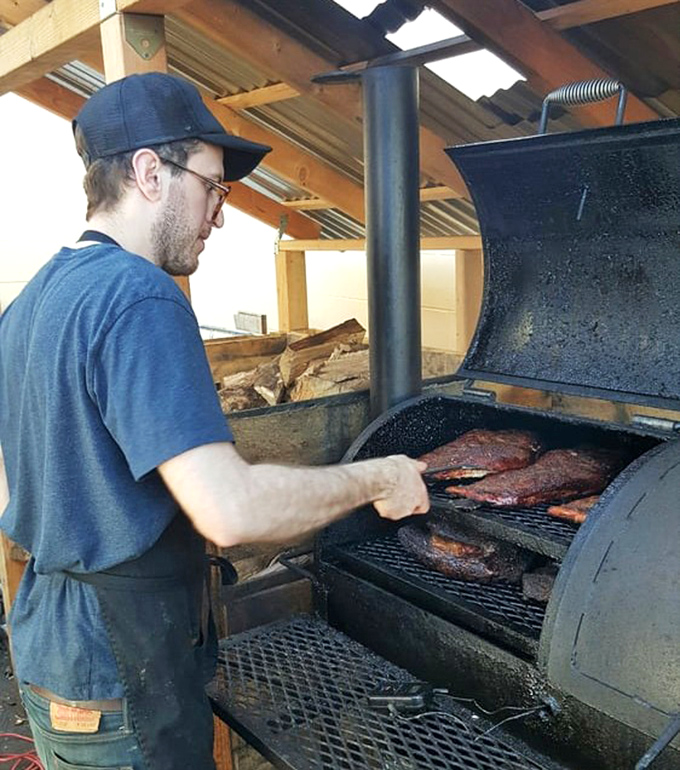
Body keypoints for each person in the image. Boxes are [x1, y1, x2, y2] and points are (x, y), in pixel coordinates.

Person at [0, 72, 429, 770]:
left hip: (52, 657)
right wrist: (375, 476)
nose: (220, 212)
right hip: (125, 678)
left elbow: (10, 487)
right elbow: (227, 512)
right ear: (149, 173)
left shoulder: (32, 301)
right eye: (212, 185)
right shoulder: (141, 296)